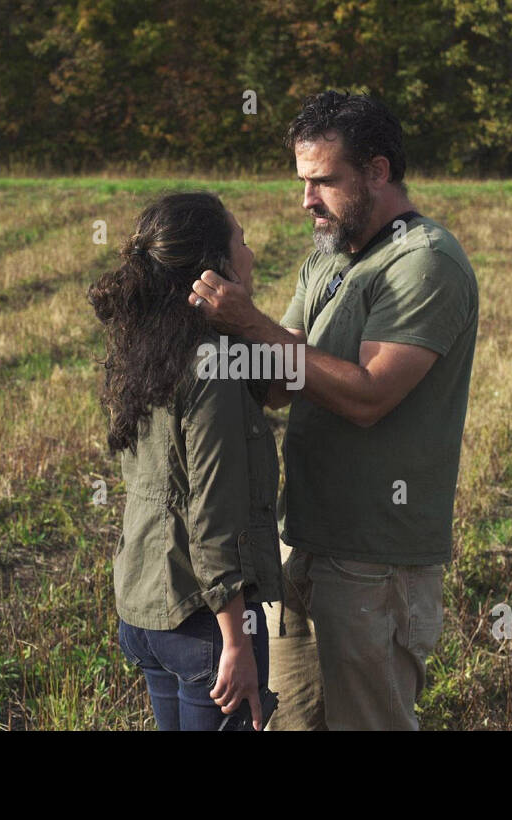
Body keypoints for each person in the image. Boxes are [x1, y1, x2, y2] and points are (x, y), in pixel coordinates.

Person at [189, 91, 480, 730]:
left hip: (376, 558)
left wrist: (248, 321)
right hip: (302, 541)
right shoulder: (329, 256)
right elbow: (279, 381)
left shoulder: (422, 262)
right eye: (303, 181)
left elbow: (369, 396)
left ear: (376, 172)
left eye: (323, 180)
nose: (307, 200)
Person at [89, 191, 283, 730]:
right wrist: (236, 642)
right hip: (206, 626)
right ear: (214, 270)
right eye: (240, 241)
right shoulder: (213, 368)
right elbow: (214, 514)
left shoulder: (144, 351)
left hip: (148, 610)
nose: (251, 253)